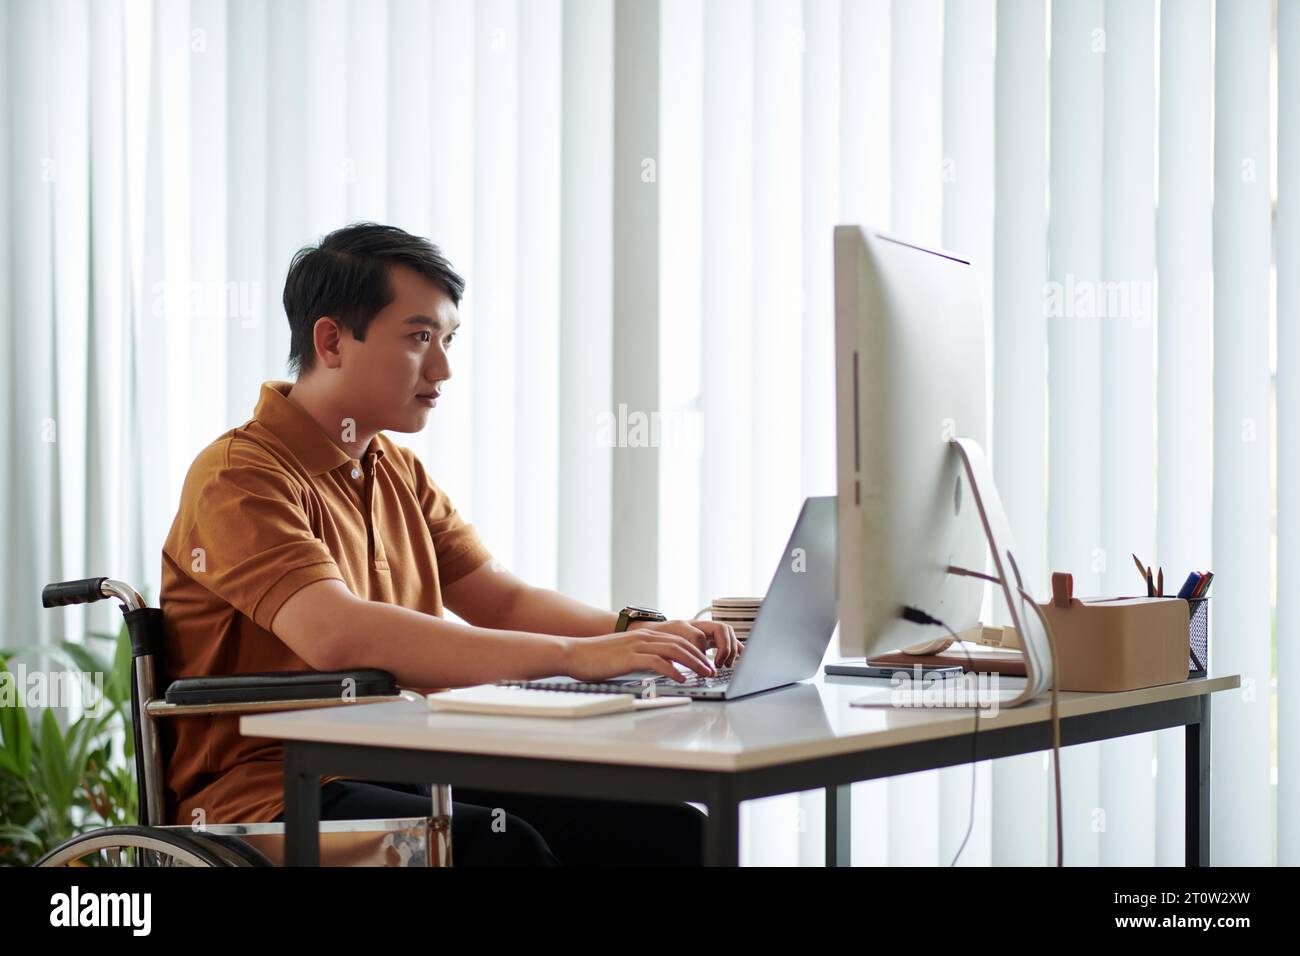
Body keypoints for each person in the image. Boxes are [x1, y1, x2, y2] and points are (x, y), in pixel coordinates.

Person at [159, 222, 740, 865]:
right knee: (505, 850)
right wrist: (578, 656)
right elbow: (337, 633)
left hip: (399, 761)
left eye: (448, 339)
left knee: (666, 830)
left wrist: (642, 635)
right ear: (331, 341)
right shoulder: (239, 474)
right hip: (274, 789)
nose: (443, 367)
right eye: (419, 338)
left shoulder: (396, 469)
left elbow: (503, 602)